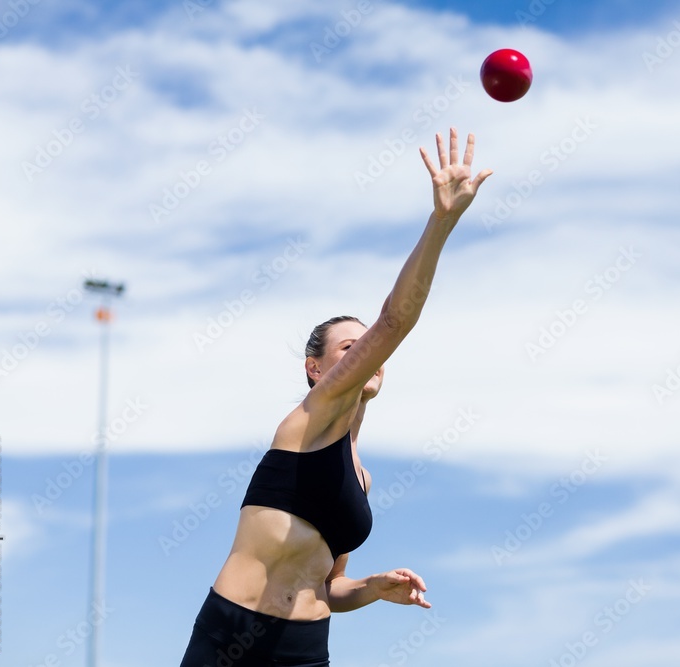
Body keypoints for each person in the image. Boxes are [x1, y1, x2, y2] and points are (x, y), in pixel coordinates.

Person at [178, 128, 492, 667]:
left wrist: (372, 587)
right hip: (234, 635)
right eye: (351, 348)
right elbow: (396, 320)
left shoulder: (359, 476)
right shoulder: (309, 421)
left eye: (366, 350)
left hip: (306, 650)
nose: (366, 356)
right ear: (315, 368)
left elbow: (328, 586)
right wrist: (441, 222)